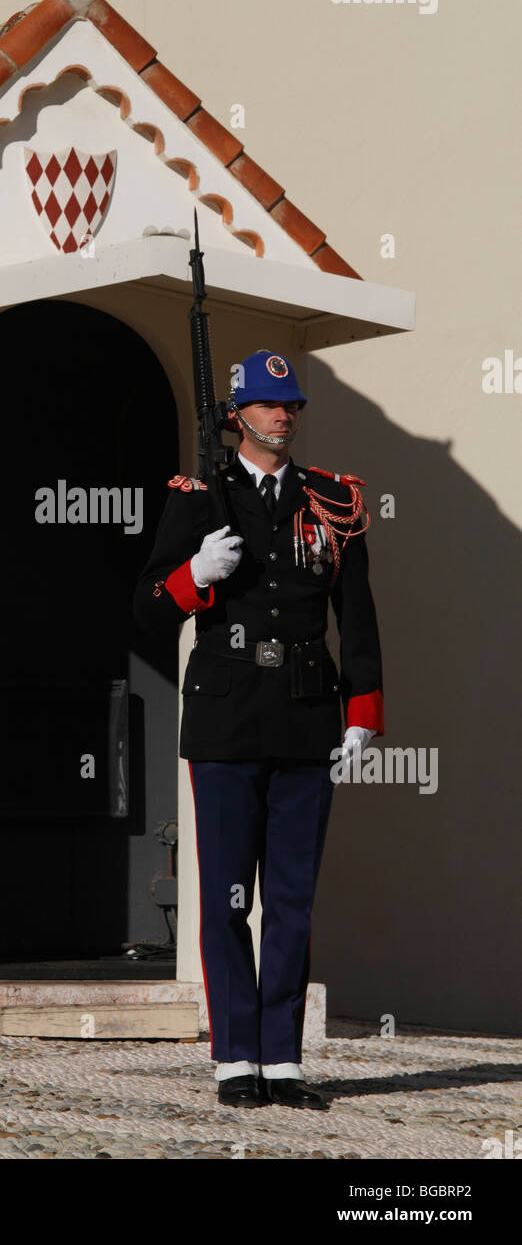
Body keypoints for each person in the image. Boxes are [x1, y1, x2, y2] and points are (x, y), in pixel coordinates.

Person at [133, 350, 383, 1111]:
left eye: (293, 405)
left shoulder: (332, 501)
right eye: (272, 405)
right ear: (238, 414)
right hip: (228, 723)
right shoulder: (199, 500)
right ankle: (234, 1057)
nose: (286, 415)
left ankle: (283, 1062)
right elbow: (144, 614)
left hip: (308, 721)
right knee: (228, 901)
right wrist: (194, 577)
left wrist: (363, 712)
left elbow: (360, 616)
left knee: (294, 900)